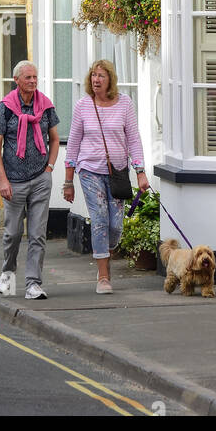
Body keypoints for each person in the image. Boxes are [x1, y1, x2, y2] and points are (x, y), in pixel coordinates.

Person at [63, 59, 149, 294]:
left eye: (101, 75)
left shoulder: (125, 104)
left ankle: (105, 255)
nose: (96, 80)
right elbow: (73, 144)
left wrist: (140, 172)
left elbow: (134, 139)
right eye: (93, 75)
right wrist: (68, 181)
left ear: (110, 79)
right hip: (89, 171)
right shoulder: (83, 106)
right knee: (100, 220)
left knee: (115, 227)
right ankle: (102, 275)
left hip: (118, 173)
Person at [0, 61, 59, 300]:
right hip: (14, 181)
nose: (32, 81)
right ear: (16, 80)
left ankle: (33, 284)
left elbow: (54, 139)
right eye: (28, 77)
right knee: (13, 233)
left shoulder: (45, 106)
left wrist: (49, 168)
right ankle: (8, 271)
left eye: (35, 77)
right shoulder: (6, 107)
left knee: (38, 234)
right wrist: (3, 180)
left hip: (40, 178)